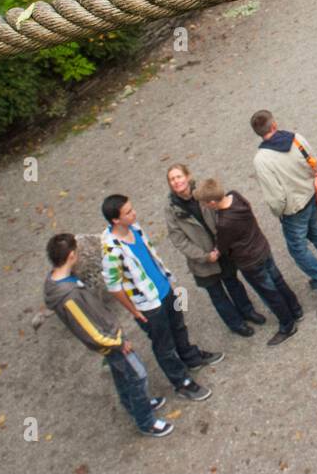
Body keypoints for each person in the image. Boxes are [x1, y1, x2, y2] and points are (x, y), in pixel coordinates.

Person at [45, 233, 173, 437]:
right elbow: (88, 330)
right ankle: (146, 420)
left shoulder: (60, 281)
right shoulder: (68, 295)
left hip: (109, 337)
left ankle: (132, 404)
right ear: (71, 256)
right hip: (111, 341)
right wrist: (118, 343)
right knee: (138, 375)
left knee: (122, 375)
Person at [101, 195, 218, 401]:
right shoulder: (111, 251)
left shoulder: (135, 229)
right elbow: (113, 286)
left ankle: (190, 357)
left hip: (165, 289)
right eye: (128, 212)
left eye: (132, 208)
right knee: (164, 345)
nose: (133, 213)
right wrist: (135, 311)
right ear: (115, 220)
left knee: (179, 327)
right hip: (148, 305)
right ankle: (181, 382)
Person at [251, 109, 317, 317]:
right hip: (311, 195)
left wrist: (279, 212)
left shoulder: (262, 159)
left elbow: (275, 197)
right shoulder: (296, 139)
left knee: (298, 249)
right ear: (274, 124)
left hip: (293, 208)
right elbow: (314, 163)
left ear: (258, 132)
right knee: (316, 232)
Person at [196, 178, 304, 346]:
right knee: (278, 281)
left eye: (204, 203)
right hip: (262, 248)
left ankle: (287, 325)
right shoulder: (235, 196)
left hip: (250, 262)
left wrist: (216, 252)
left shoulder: (224, 223)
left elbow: (223, 246)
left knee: (270, 293)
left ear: (211, 203)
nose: (203, 206)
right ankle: (296, 309)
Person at [164, 163, 266, 337]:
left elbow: (222, 212)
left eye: (179, 176)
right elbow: (179, 240)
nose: (176, 181)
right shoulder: (171, 209)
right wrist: (204, 256)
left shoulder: (203, 193)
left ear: (188, 176)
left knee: (234, 283)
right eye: (172, 179)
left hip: (222, 251)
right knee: (217, 294)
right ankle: (236, 323)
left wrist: (221, 246)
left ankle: (247, 311)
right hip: (202, 262)